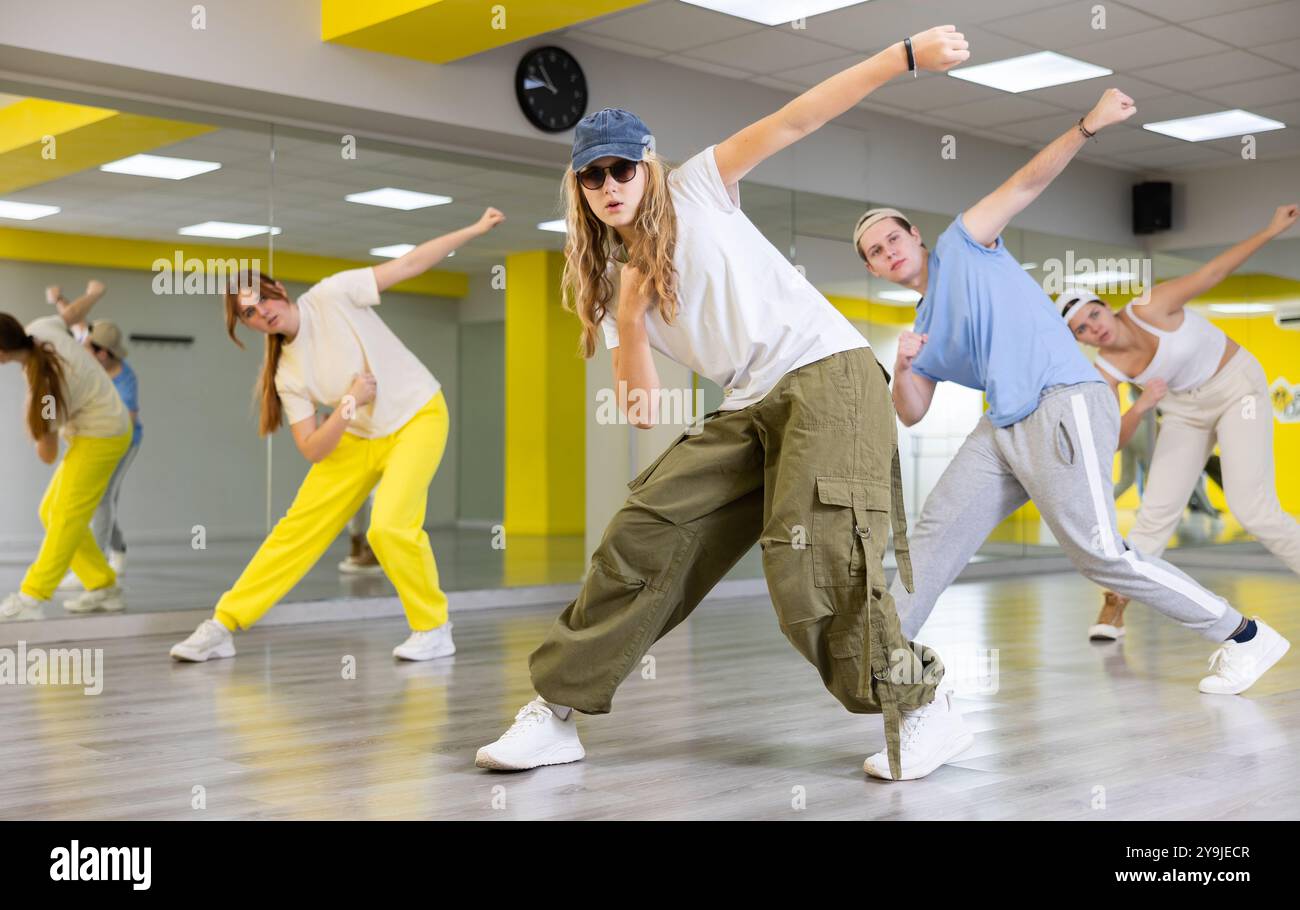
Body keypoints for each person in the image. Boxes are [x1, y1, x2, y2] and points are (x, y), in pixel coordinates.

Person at [477, 26, 974, 782]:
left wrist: (903, 57)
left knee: (812, 564)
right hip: (750, 402)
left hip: (826, 373)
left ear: (648, 167)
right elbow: (641, 408)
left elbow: (799, 118)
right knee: (643, 534)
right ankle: (558, 713)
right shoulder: (609, 285)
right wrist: (635, 316)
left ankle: (922, 707)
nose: (610, 186)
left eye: (622, 169)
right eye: (592, 176)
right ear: (578, 188)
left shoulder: (699, 186)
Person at [856, 90, 1289, 697]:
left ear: (915, 236)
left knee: (1099, 554)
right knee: (934, 536)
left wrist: (1088, 126)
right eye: (875, 253)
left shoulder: (965, 243)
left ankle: (1244, 636)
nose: (888, 252)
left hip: (1062, 400)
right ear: (875, 271)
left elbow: (1026, 184)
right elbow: (912, 411)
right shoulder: (921, 335)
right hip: (1000, 428)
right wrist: (901, 367)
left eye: (892, 239)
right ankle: (884, 672)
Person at [169, 208, 504, 661]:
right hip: (360, 435)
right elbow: (313, 447)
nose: (261, 312)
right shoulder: (287, 373)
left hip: (418, 415)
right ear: (246, 325)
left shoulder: (332, 295)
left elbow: (408, 264)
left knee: (389, 527)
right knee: (296, 529)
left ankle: (434, 628)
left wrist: (475, 230)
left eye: (262, 300)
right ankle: (223, 625)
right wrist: (349, 402)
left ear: (278, 290)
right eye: (248, 313)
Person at [1062, 203, 1300, 642]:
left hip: (1237, 388)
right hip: (1183, 410)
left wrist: (1270, 230)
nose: (1092, 329)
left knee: (1253, 509)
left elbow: (1212, 273)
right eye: (1080, 330)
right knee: (1155, 513)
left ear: (1106, 307)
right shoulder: (1106, 368)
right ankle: (1114, 604)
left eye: (1092, 315)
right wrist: (1141, 406)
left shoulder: (1150, 307)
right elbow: (1112, 441)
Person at [0, 281, 132, 617]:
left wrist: (32, 425)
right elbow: (71, 315)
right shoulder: (40, 328)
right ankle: (103, 586)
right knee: (51, 511)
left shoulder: (45, 390)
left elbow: (47, 455)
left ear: (2, 356)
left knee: (66, 516)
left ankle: (33, 596)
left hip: (102, 435)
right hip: (102, 428)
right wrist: (95, 294)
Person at [83, 319, 142, 577]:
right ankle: (118, 550)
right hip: (98, 440)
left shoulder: (126, 380)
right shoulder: (95, 365)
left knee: (103, 497)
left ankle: (97, 563)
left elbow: (127, 422)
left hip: (124, 442)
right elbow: (75, 323)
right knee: (103, 500)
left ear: (104, 354)